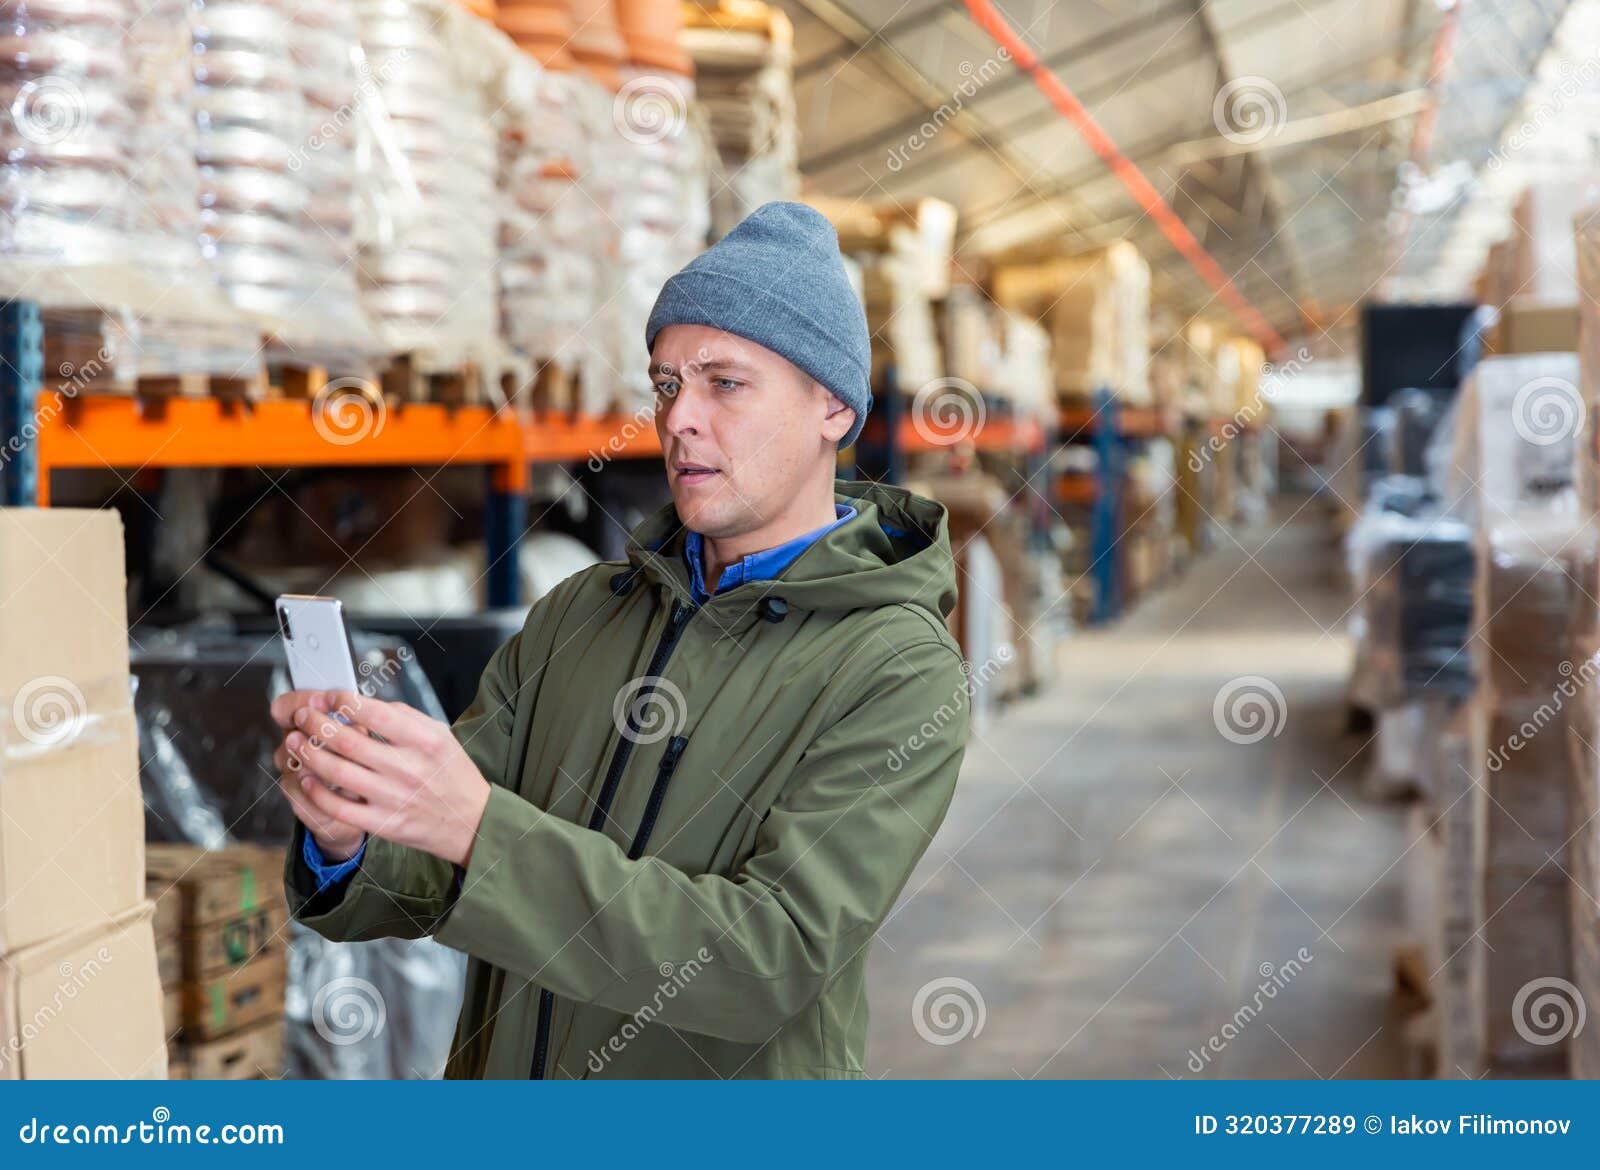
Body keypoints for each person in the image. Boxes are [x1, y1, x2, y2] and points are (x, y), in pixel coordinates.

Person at [274, 201, 970, 1079]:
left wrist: (480, 829)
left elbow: (770, 960)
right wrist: (353, 833)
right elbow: (443, 861)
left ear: (831, 405)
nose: (679, 418)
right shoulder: (581, 614)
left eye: (725, 382)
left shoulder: (896, 670)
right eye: (668, 383)